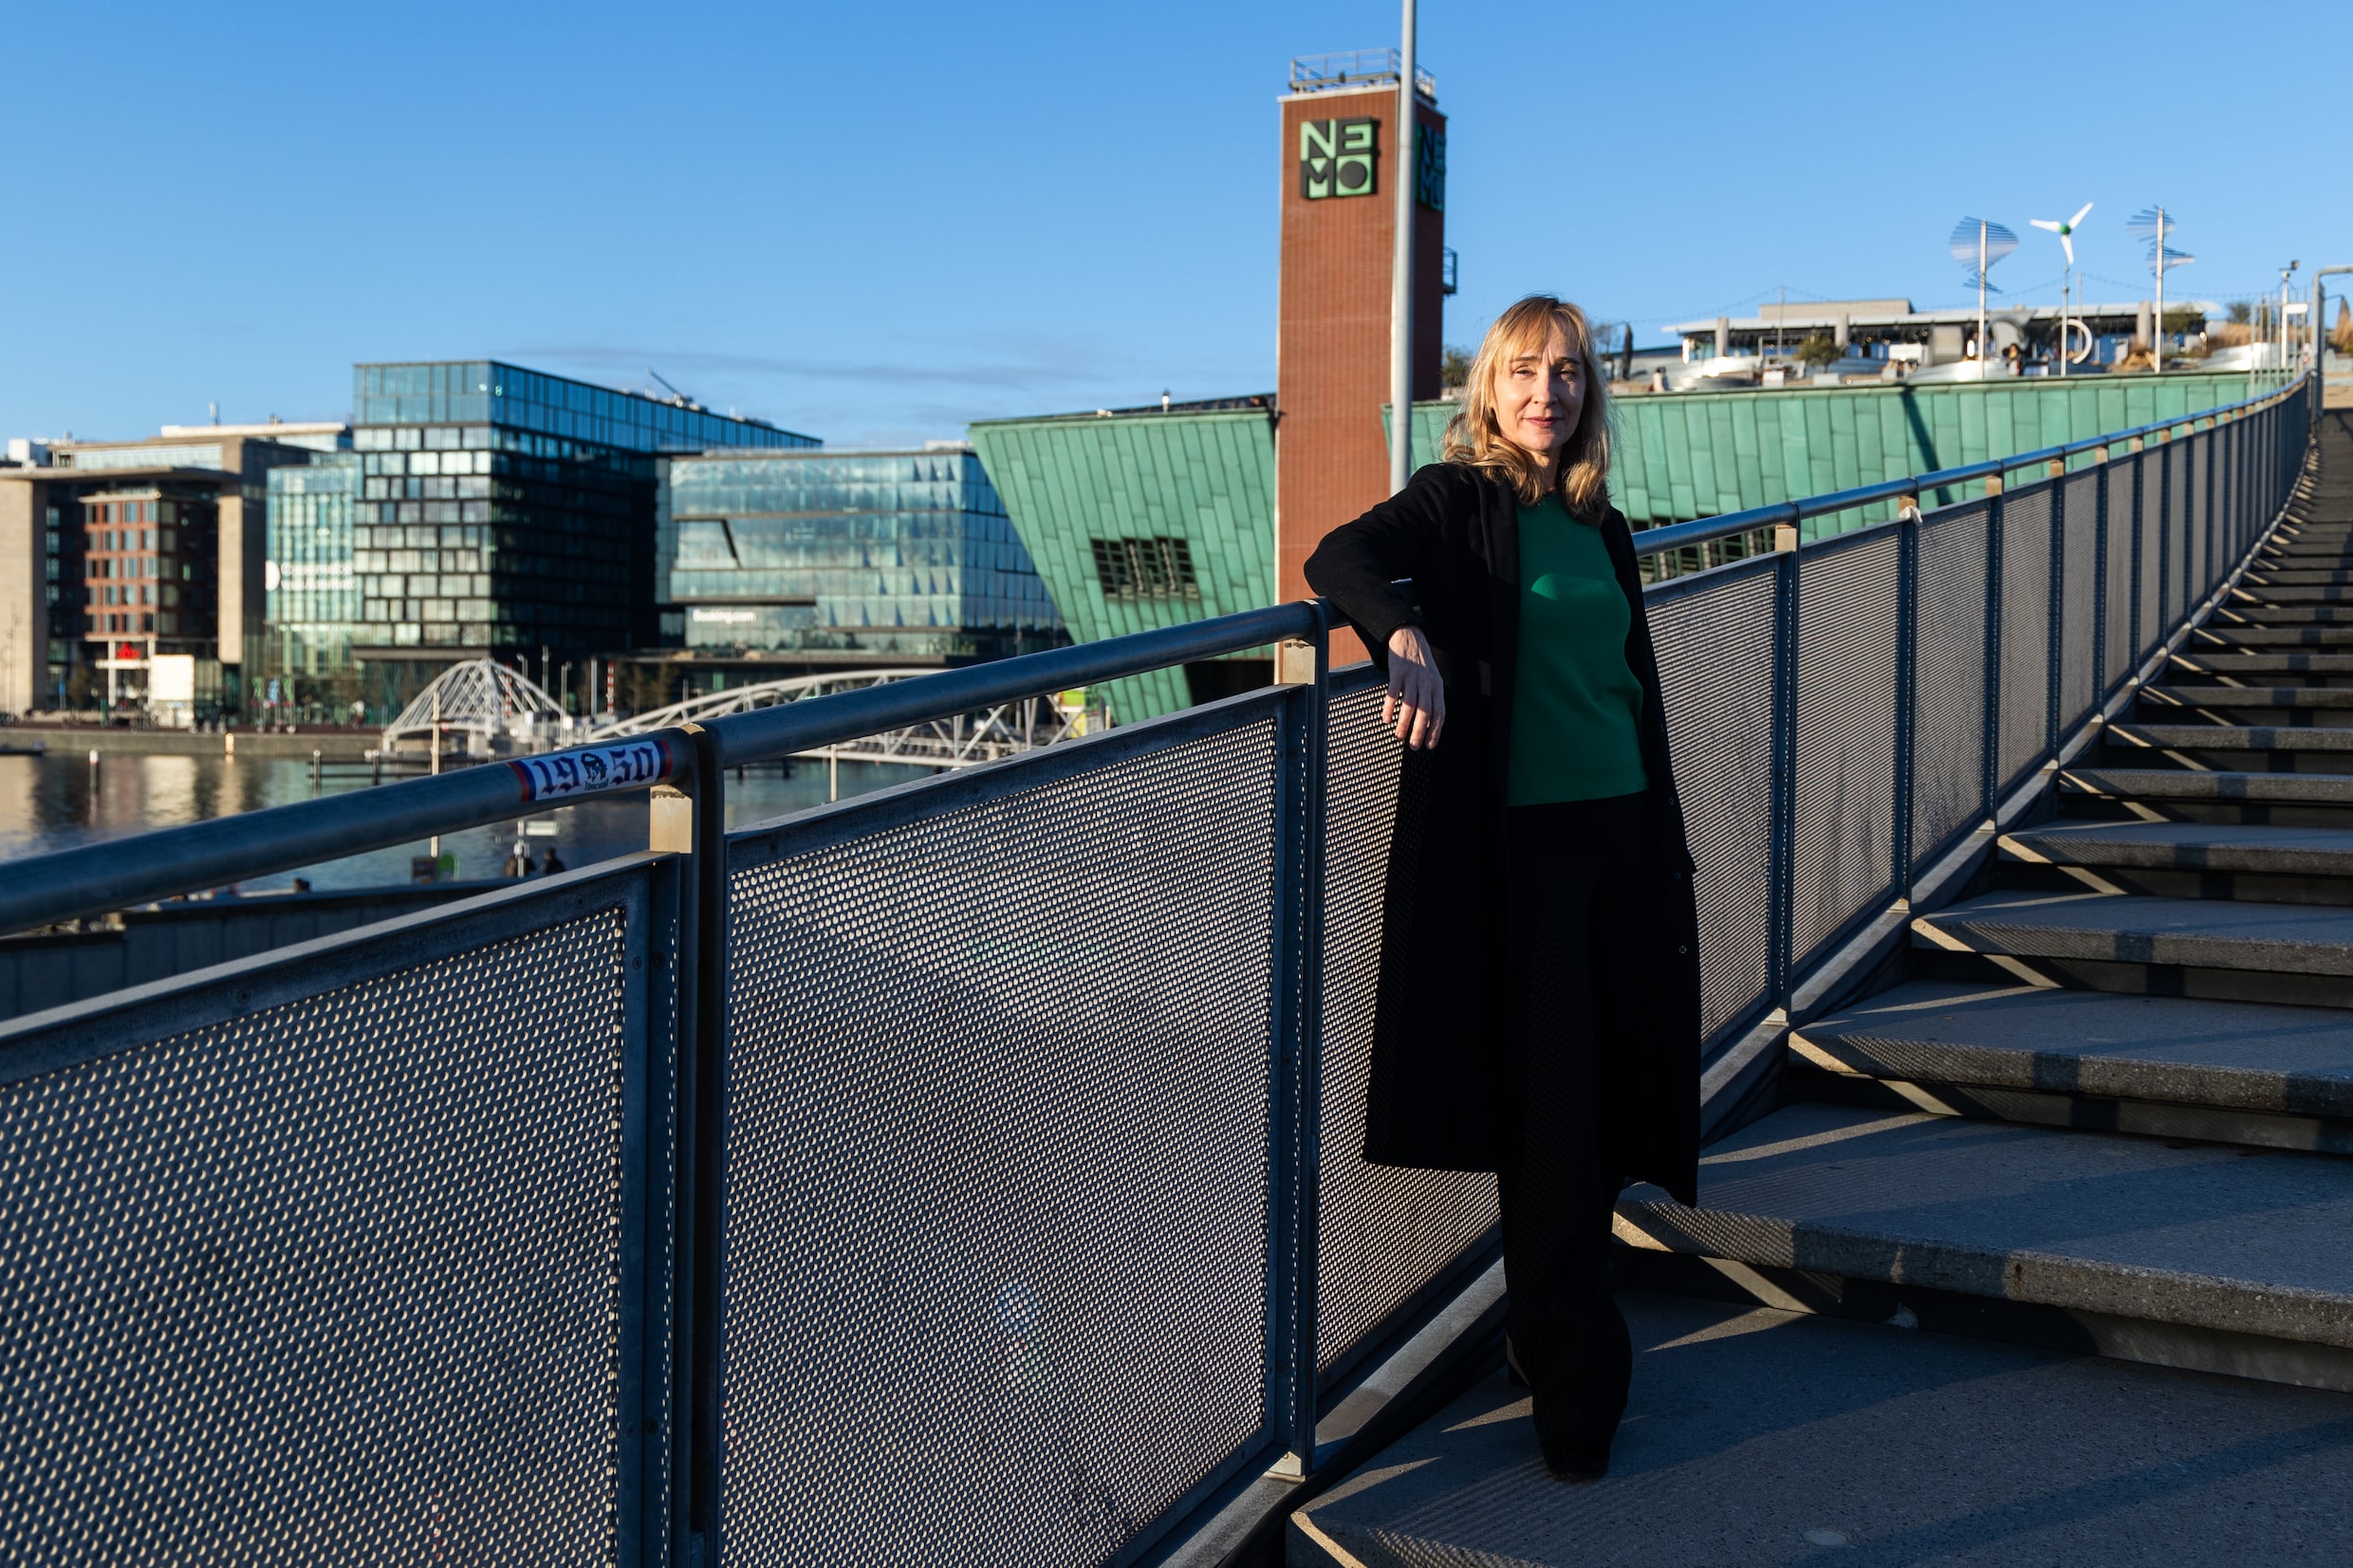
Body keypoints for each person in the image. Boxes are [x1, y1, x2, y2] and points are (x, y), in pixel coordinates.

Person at [1304, 294, 1701, 1485]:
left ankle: (1548, 1338)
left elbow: (1626, 684)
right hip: (1521, 858)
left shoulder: (1603, 524)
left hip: (1623, 842)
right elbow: (1340, 555)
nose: (1548, 392)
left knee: (1609, 1089)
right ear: (1488, 390)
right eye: (1524, 372)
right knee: (1552, 1116)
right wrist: (1401, 634)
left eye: (1568, 374)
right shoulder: (1459, 500)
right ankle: (1577, 1387)